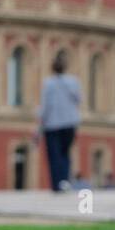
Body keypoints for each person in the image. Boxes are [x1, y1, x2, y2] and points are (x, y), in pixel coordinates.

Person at [34, 50, 81, 193]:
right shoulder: (73, 82)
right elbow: (79, 99)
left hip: (52, 125)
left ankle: (56, 184)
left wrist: (39, 125)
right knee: (65, 153)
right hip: (70, 123)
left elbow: (45, 106)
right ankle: (65, 181)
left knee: (54, 155)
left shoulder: (48, 84)